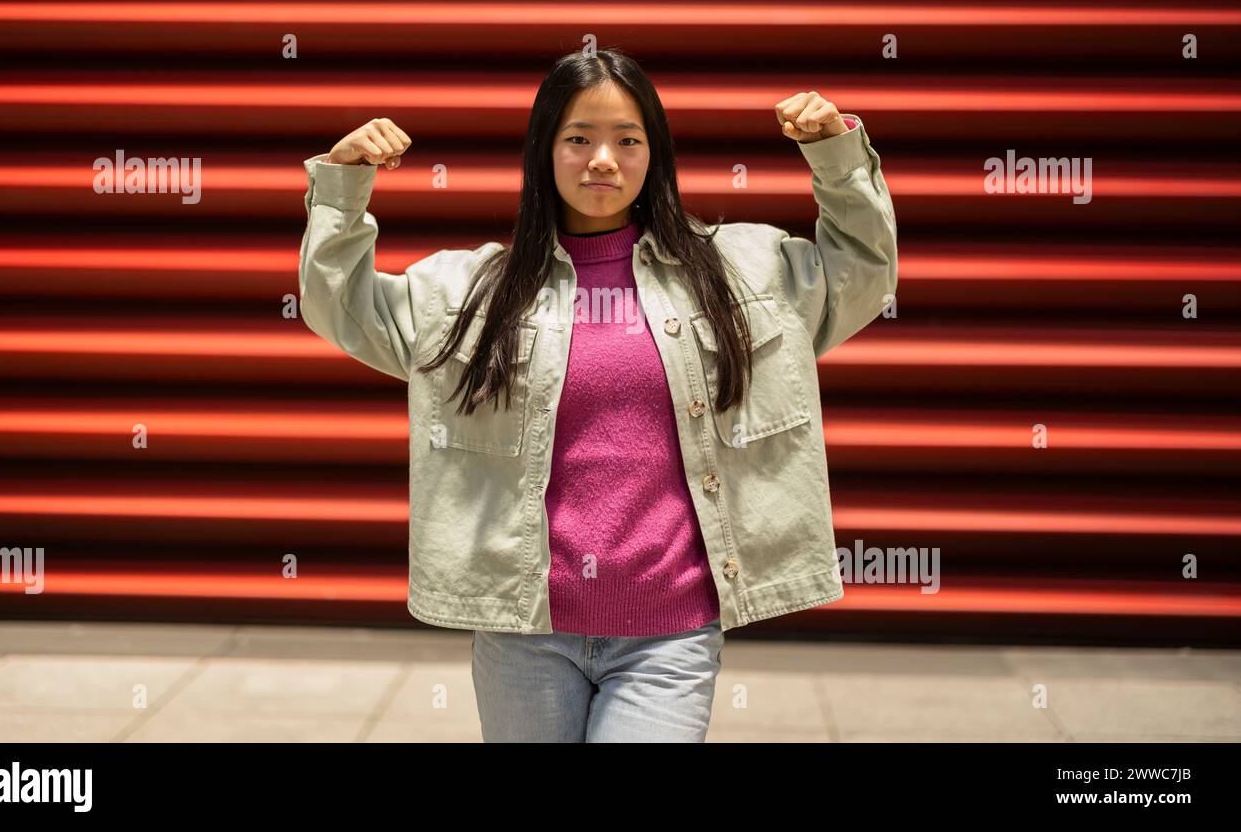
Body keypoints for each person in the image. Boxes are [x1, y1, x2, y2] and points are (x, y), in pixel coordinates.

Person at [298, 48, 898, 741]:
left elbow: (860, 273)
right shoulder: (475, 294)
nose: (602, 160)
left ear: (656, 154)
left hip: (669, 632)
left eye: (627, 140)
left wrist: (836, 156)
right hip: (527, 634)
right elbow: (340, 306)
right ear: (544, 153)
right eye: (578, 139)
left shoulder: (737, 273)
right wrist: (343, 187)